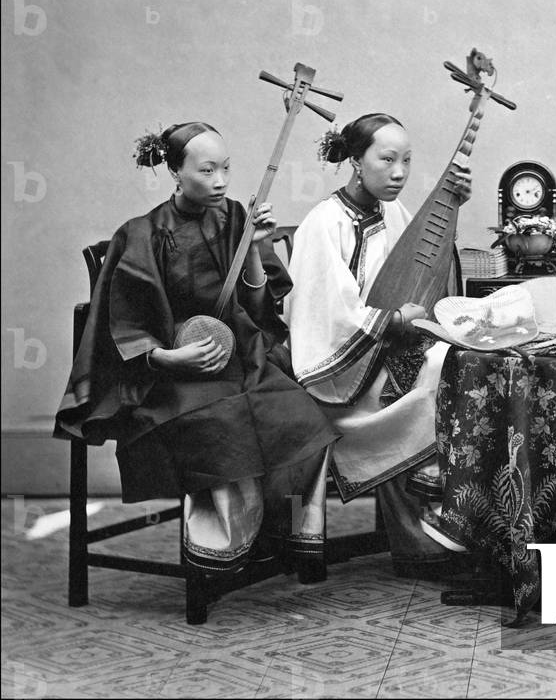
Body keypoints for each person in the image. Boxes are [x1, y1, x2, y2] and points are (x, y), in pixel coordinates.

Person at [56, 122, 337, 577]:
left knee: (303, 417)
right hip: (170, 379)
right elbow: (122, 323)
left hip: (237, 362)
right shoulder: (142, 234)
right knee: (225, 427)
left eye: (226, 168)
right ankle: (221, 555)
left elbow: (259, 309)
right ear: (175, 171)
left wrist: (254, 249)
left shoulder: (235, 220)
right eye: (207, 170)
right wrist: (166, 358)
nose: (221, 181)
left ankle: (276, 540)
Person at [285, 113, 472, 580]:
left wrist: (453, 210)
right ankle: (421, 542)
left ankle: (463, 524)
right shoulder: (324, 223)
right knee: (421, 388)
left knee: (463, 369)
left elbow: (427, 279)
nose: (399, 173)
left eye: (407, 161)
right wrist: (392, 321)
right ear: (355, 159)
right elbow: (324, 314)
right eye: (386, 160)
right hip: (346, 370)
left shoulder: (396, 214)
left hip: (393, 348)